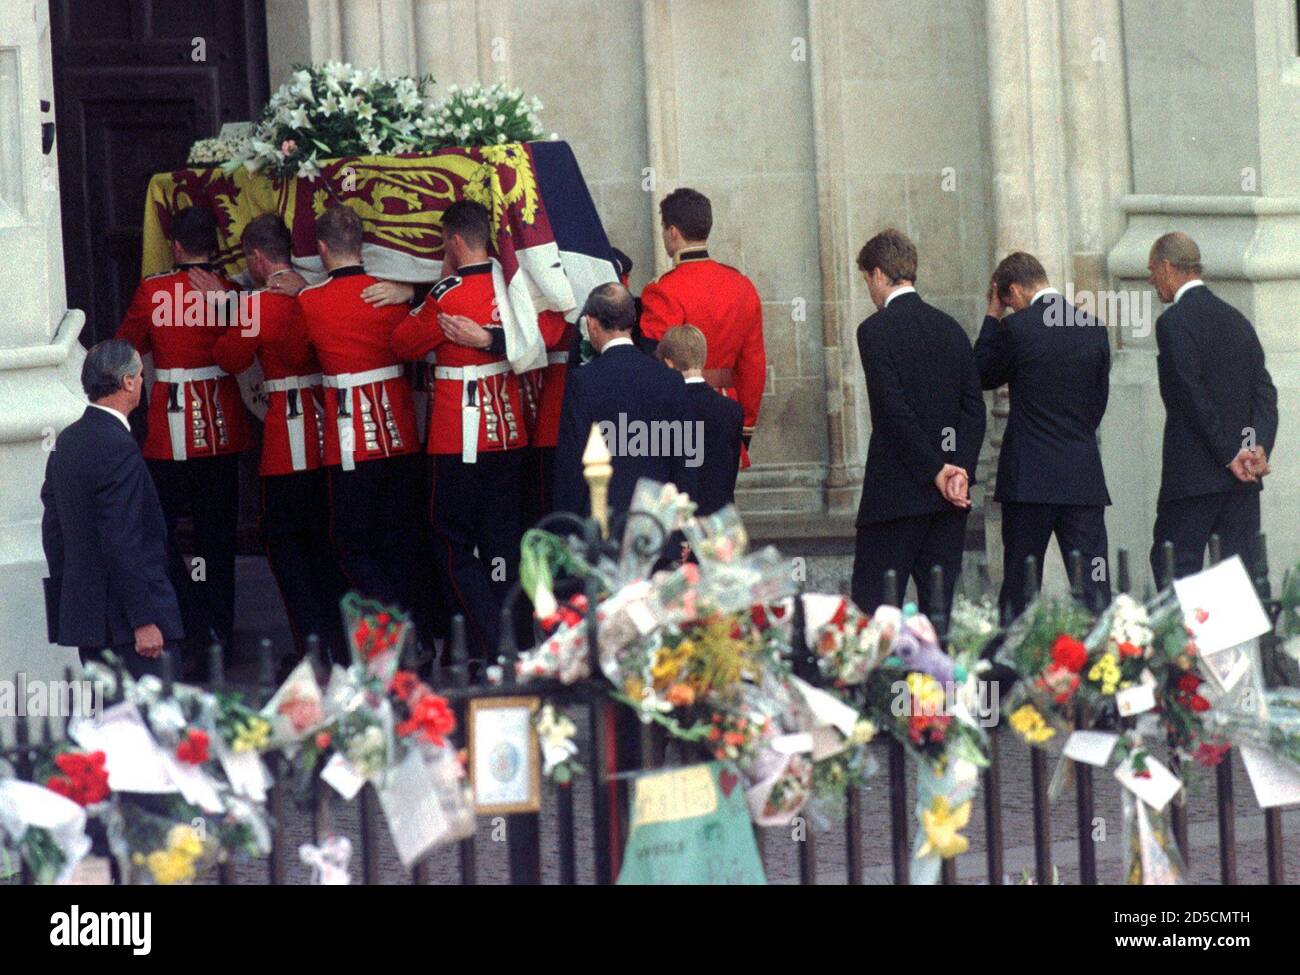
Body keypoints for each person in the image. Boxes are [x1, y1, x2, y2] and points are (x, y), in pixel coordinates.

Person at [196, 214, 347, 666]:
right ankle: (339, 641)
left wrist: (231, 307)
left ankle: (311, 646)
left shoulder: (259, 305)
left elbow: (227, 357)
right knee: (324, 539)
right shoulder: (314, 292)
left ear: (257, 258)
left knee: (282, 539)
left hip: (290, 430)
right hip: (333, 425)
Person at [391, 200, 529, 660]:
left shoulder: (447, 292)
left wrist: (413, 295)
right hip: (509, 432)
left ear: (453, 240)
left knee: (451, 542)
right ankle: (515, 636)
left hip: (458, 436)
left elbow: (403, 343)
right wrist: (494, 335)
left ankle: (487, 640)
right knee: (502, 546)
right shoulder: (512, 284)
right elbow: (544, 333)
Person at [115, 205, 251, 665]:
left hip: (169, 436)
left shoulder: (154, 291)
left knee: (162, 536)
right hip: (222, 429)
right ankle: (220, 637)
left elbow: (126, 349)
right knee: (218, 541)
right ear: (213, 246)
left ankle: (186, 625)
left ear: (175, 246)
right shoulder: (231, 292)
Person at [850, 229, 985, 618]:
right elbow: (973, 409)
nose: (870, 291)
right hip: (948, 502)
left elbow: (893, 412)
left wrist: (936, 470)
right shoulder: (952, 328)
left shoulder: (874, 330)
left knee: (874, 615)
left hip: (894, 497)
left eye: (867, 281)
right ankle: (941, 683)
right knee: (938, 617)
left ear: (878, 274)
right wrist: (959, 470)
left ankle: (882, 683)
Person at [296, 205, 423, 607]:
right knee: (399, 539)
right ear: (361, 244)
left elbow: (299, 356)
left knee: (351, 544)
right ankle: (414, 633)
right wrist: (413, 291)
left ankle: (394, 627)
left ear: (321, 249)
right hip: (400, 432)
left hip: (349, 441)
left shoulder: (310, 301)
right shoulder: (391, 295)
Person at [975, 251, 1112, 617]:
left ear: (1015, 289)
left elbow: (981, 374)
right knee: (1094, 589)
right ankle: (1106, 666)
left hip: (1028, 480)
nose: (1009, 308)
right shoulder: (1093, 328)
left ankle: (1013, 670)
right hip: (1081, 477)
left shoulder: (1016, 329)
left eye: (1007, 301)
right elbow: (1097, 405)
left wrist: (992, 315)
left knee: (1021, 589)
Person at [41, 340, 184, 678]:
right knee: (155, 726)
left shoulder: (67, 441)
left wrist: (73, 607)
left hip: (88, 624)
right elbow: (121, 539)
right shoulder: (117, 446)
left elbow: (54, 532)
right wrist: (144, 620)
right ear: (128, 382)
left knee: (111, 726)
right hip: (130, 629)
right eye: (139, 374)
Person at [1147, 232, 1278, 585]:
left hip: (1193, 480)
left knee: (1176, 574)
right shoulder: (1237, 320)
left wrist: (1229, 454)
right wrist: (1256, 448)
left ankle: (1183, 644)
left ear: (1168, 267)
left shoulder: (1173, 323)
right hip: (1243, 483)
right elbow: (1264, 392)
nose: (1151, 281)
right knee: (1238, 584)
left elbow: (1190, 395)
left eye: (1152, 271)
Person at [638, 188, 765, 465]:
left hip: (679, 415)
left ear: (673, 231)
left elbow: (657, 368)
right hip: (728, 410)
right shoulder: (741, 285)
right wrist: (746, 425)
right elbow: (753, 365)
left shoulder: (663, 290)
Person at [553, 283, 699, 517]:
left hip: (603, 525)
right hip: (658, 524)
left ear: (591, 323)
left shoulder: (584, 380)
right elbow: (688, 458)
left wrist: (566, 527)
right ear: (633, 320)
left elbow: (571, 466)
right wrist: (682, 529)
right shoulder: (670, 380)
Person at [656, 324, 742, 516]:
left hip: (679, 516)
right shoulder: (731, 410)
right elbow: (730, 472)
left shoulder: (663, 409)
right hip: (719, 517)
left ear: (669, 362)